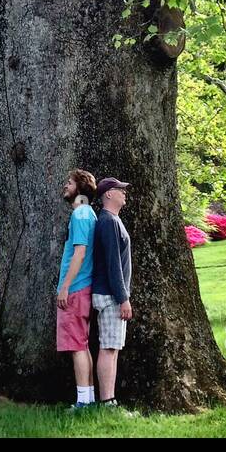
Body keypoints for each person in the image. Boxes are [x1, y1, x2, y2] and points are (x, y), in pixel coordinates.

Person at [56, 167, 98, 410]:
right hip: (82, 288)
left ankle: (82, 402)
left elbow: (80, 254)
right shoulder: (87, 214)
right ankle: (88, 398)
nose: (65, 186)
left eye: (69, 182)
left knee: (76, 346)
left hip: (76, 289)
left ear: (80, 189)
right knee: (81, 344)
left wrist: (65, 288)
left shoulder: (81, 214)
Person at [89, 176, 132, 409]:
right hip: (110, 295)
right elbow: (113, 264)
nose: (124, 193)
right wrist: (123, 298)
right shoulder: (108, 221)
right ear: (108, 194)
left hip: (112, 294)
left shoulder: (113, 220)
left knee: (112, 348)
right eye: (120, 190)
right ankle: (107, 401)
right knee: (108, 348)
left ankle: (110, 400)